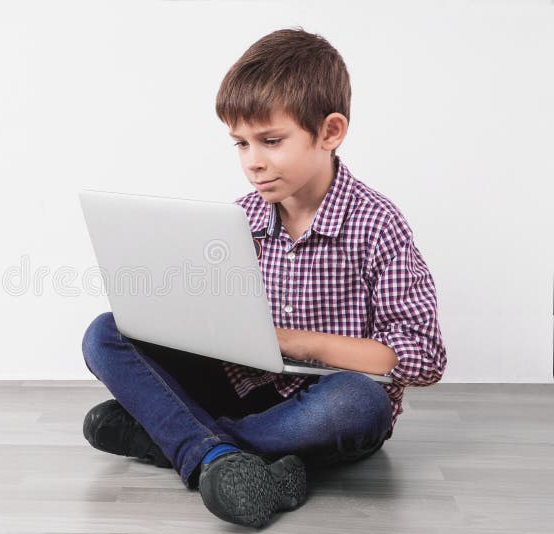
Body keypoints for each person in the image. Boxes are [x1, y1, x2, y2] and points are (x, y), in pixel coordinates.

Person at [81, 27, 447, 528]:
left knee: (360, 401)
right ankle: (224, 458)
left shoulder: (376, 223)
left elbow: (422, 357)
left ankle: (187, 441)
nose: (253, 162)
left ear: (330, 132)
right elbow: (211, 322)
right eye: (241, 144)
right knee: (105, 332)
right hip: (241, 385)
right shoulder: (239, 220)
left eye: (271, 141)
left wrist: (299, 343)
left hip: (324, 404)